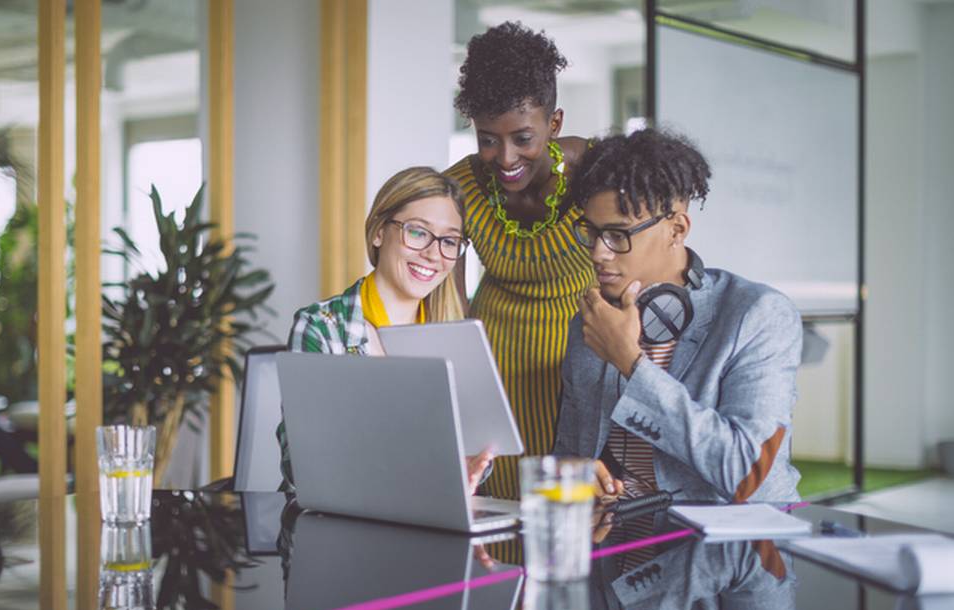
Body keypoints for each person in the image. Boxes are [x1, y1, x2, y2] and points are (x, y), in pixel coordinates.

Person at [554, 128, 803, 505]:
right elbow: (568, 458)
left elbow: (752, 477)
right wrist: (575, 478)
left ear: (676, 229)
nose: (598, 254)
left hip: (730, 554)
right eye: (590, 232)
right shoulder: (591, 322)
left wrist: (631, 363)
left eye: (618, 235)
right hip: (618, 548)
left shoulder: (757, 316)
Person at [446, 21, 596, 500]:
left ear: (554, 124)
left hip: (577, 379)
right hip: (493, 382)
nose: (504, 156)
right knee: (498, 525)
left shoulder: (598, 175)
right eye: (488, 138)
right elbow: (451, 308)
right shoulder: (462, 187)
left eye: (523, 138)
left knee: (566, 527)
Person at [276, 166, 494, 494]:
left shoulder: (458, 340)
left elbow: (476, 447)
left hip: (428, 517)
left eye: (449, 241)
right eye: (418, 232)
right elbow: (301, 464)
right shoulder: (321, 327)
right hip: (332, 527)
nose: (434, 254)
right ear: (379, 231)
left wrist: (466, 468)